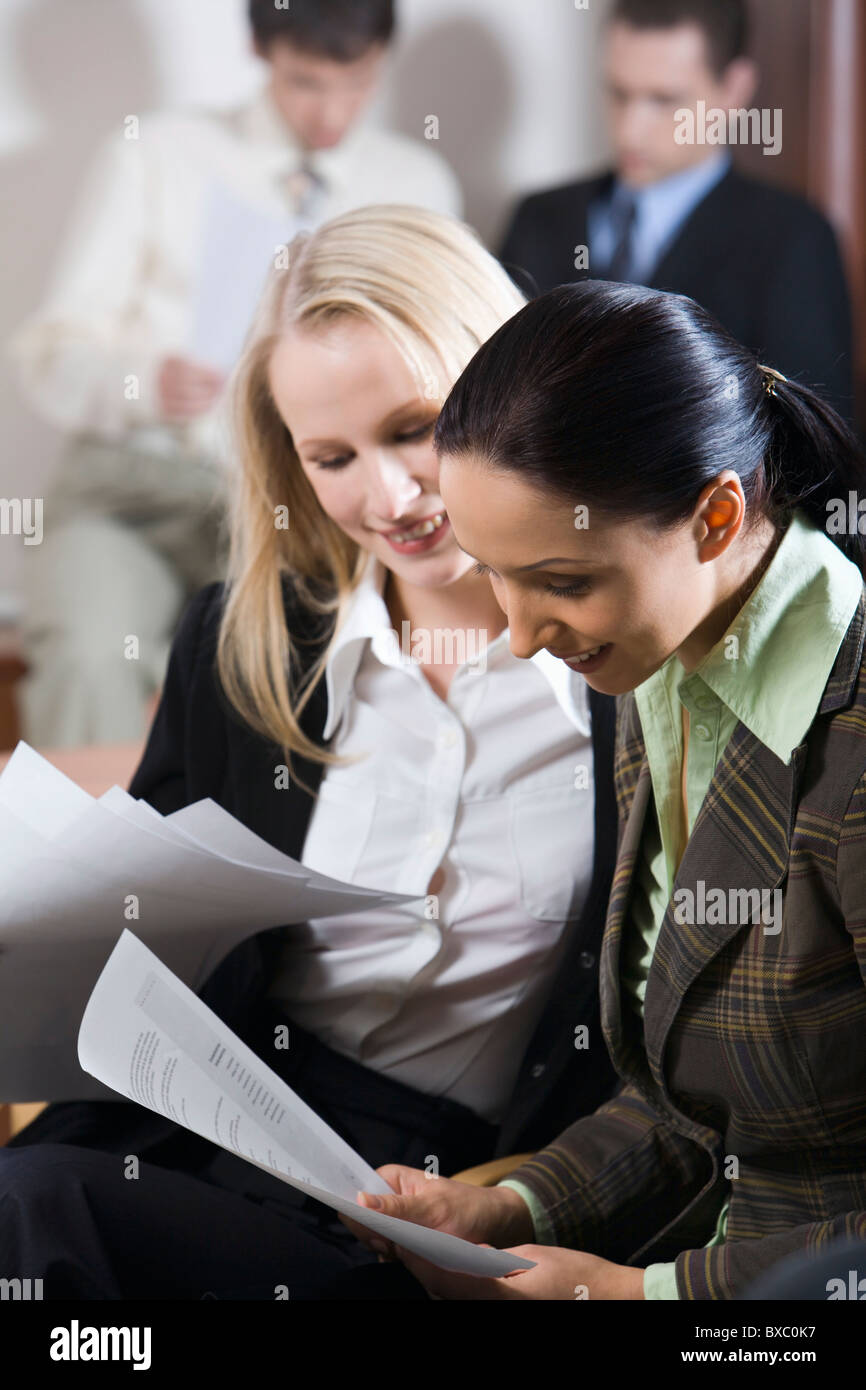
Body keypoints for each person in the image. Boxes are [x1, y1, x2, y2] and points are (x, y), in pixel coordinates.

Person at [0, 208, 619, 1301]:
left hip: (420, 1191)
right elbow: (146, 946)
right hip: (194, 1115)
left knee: (42, 1214)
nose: (386, 498)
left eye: (415, 427)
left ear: (508, 387)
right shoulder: (245, 640)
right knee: (39, 1201)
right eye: (331, 457)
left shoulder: (620, 673)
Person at [337, 278, 866, 1301]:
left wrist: (637, 1297)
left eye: (561, 581)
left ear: (715, 517)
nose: (518, 633)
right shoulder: (660, 666)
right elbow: (685, 1109)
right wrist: (510, 1206)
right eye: (490, 572)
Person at [8, 0, 461, 747]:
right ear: (258, 48)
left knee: (292, 667)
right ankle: (94, 861)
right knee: (91, 657)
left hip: (294, 501)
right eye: (305, 83)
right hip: (131, 484)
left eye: (356, 84)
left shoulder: (416, 183)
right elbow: (46, 355)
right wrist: (143, 381)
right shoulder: (157, 152)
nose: (331, 114)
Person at [499, 0, 854, 422]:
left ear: (734, 90)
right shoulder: (538, 218)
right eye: (618, 93)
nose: (630, 128)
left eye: (664, 100)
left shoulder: (793, 240)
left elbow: (814, 444)